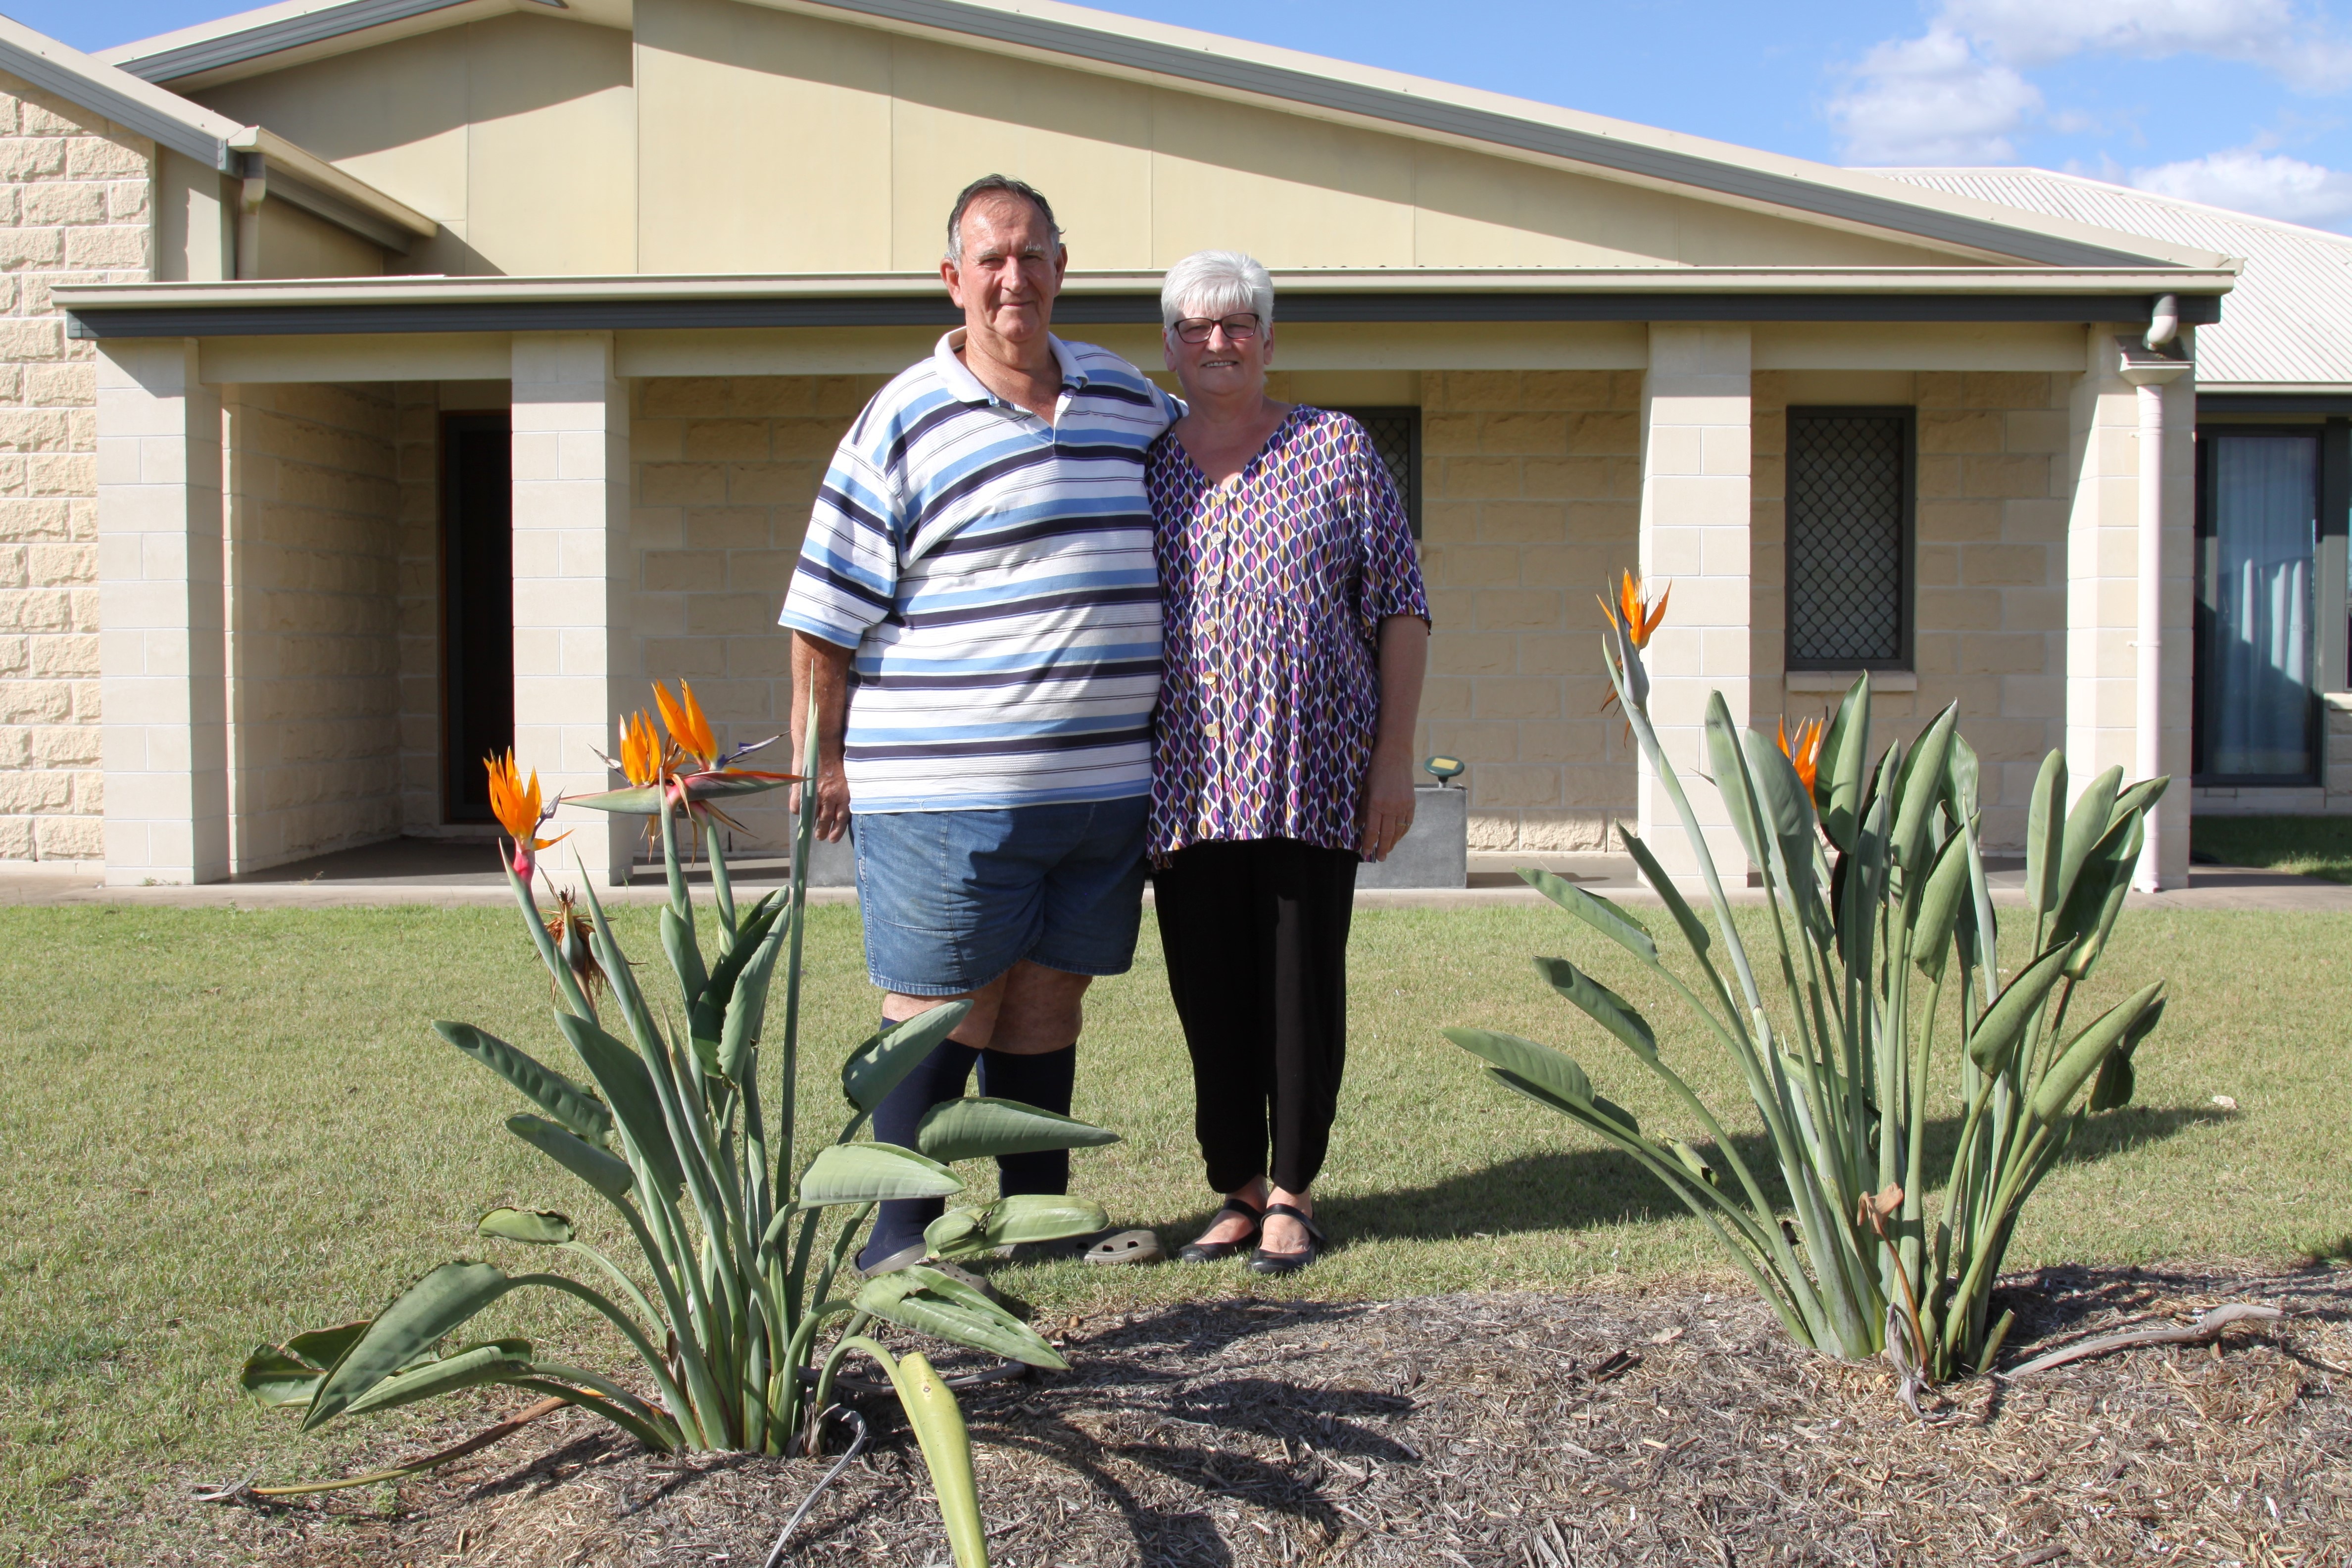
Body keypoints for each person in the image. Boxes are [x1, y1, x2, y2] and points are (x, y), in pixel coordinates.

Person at [779, 175, 1176, 1273]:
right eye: (990, 258)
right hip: (942, 789)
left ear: (1062, 266)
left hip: (1100, 795)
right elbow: (822, 620)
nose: (1015, 277)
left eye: (1033, 254)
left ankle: (1034, 1222)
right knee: (939, 1007)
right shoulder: (902, 419)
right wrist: (827, 765)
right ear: (952, 279)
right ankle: (897, 1236)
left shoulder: (1130, 398)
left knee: (1049, 1000)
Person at [1146, 250, 1430, 1275]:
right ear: (1170, 344)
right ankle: (1236, 1187)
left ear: (1269, 338)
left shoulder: (1335, 447)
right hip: (1186, 784)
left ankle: (1296, 1192)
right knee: (1207, 992)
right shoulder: (1147, 460)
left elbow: (1401, 605)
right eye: (1196, 326)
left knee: (1301, 989)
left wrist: (1392, 759)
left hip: (1314, 773)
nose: (1217, 342)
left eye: (1238, 324)